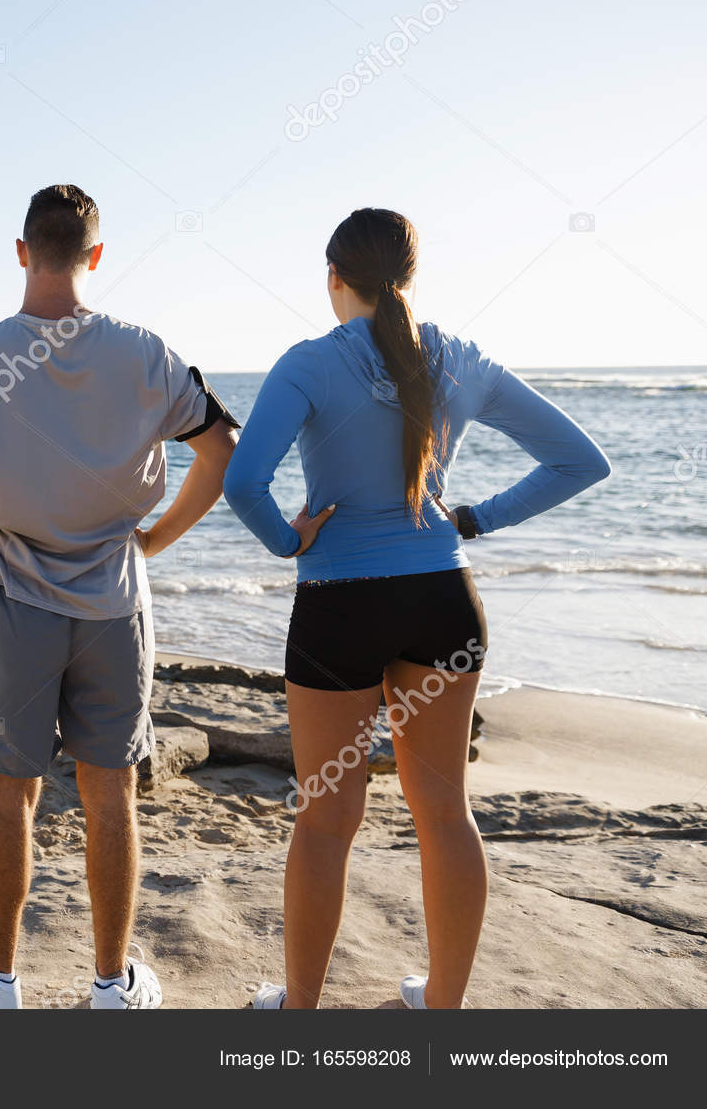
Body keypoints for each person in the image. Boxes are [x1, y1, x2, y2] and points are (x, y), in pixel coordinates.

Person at [223, 207, 610, 1010]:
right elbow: (581, 460)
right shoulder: (460, 360)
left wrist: (289, 543)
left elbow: (242, 483)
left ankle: (299, 1013)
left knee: (328, 819)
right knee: (445, 814)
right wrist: (475, 517)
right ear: (409, 276)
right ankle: (442, 1012)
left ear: (334, 277)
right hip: (444, 600)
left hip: (340, 608)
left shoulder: (306, 363)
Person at [0, 184, 239, 1010]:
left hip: (14, 603)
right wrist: (155, 538)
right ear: (96, 256)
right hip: (114, 601)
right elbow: (222, 450)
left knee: (11, 793)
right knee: (111, 791)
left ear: (22, 250)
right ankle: (111, 985)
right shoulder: (145, 352)